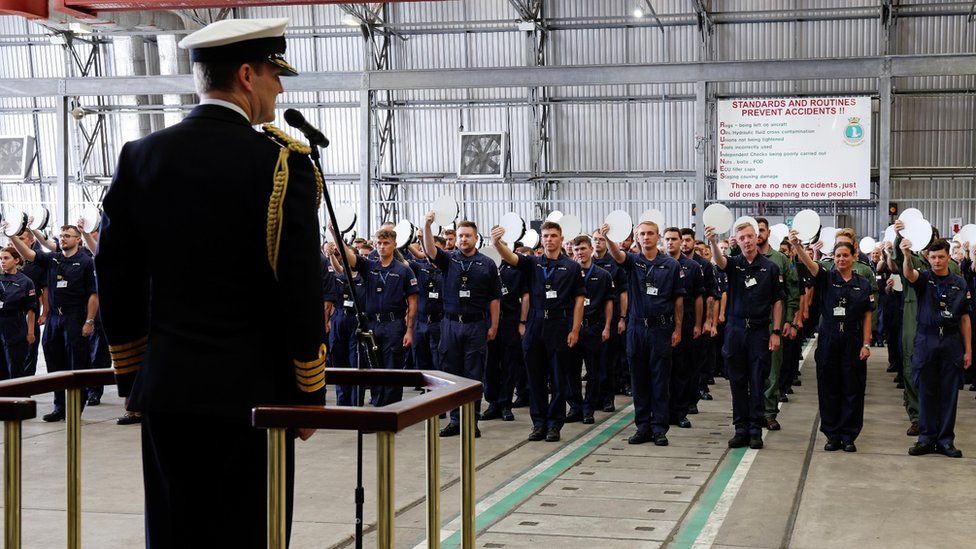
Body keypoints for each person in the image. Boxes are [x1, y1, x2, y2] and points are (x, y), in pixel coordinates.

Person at [95, 18, 327, 548]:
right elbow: (298, 287)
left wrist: (133, 376)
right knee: (251, 534)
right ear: (247, 75)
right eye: (274, 74)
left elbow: (116, 274)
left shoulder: (141, 156)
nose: (280, 88)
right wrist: (308, 393)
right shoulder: (282, 164)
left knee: (177, 532)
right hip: (255, 396)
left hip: (168, 389)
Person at [492, 221, 584, 443]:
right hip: (535, 324)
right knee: (535, 378)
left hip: (559, 325)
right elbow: (511, 258)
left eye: (553, 235)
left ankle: (554, 424)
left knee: (559, 378)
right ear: (541, 239)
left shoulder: (572, 267)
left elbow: (579, 300)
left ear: (562, 239)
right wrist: (496, 243)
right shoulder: (532, 263)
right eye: (545, 236)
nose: (549, 239)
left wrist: (575, 329)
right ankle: (539, 423)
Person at [600, 221, 684, 446]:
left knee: (659, 381)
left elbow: (678, 299)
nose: (646, 237)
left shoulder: (671, 264)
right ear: (637, 237)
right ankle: (643, 427)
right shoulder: (633, 262)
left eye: (650, 233)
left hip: (661, 329)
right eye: (642, 234)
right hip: (637, 328)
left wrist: (677, 328)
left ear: (658, 236)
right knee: (639, 381)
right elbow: (618, 257)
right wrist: (608, 239)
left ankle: (659, 429)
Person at [790, 232, 873, 452]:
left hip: (853, 339)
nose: (841, 259)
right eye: (838, 255)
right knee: (829, 387)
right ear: (833, 257)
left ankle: (849, 435)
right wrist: (798, 246)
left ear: (854, 256)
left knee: (852, 388)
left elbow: (867, 315)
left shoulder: (863, 284)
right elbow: (810, 264)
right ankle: (832, 434)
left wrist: (866, 343)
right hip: (829, 337)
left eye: (846, 255)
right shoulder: (826, 278)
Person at [706, 220, 784, 450]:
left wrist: (776, 332)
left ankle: (755, 430)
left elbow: (777, 301)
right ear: (737, 242)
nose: (748, 241)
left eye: (751, 236)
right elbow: (719, 262)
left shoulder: (770, 268)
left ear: (757, 237)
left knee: (757, 380)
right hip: (735, 329)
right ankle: (740, 429)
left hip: (759, 331)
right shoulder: (733, 265)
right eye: (742, 238)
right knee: (737, 380)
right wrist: (712, 241)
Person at [7, 224, 98, 422]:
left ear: (77, 239)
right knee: (54, 363)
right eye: (61, 235)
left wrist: (89, 321)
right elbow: (29, 254)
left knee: (77, 364)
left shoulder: (86, 261)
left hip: (75, 316)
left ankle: (75, 407)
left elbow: (93, 295)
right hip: (54, 319)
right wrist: (12, 236)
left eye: (68, 236)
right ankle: (59, 406)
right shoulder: (53, 259)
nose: (63, 238)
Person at [422, 215, 500, 437]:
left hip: (476, 325)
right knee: (452, 374)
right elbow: (429, 250)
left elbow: (494, 299)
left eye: (468, 236)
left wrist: (493, 325)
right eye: (460, 236)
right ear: (455, 239)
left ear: (476, 238)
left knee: (474, 376)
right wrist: (427, 226)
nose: (463, 239)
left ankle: (471, 421)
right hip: (450, 325)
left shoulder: (487, 264)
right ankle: (455, 420)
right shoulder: (449, 260)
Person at [900, 237, 972, 458]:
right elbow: (908, 274)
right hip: (927, 340)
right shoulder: (924, 278)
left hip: (950, 342)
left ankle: (945, 440)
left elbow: (965, 318)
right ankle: (926, 438)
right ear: (927, 258)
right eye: (933, 257)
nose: (937, 261)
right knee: (926, 391)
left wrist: (968, 349)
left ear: (948, 257)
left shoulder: (959, 283)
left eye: (941, 256)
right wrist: (905, 255)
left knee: (949, 393)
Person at [333, 225, 418, 406]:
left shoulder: (404, 270)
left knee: (392, 369)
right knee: (374, 368)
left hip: (393, 325)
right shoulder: (369, 266)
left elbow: (412, 303)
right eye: (378, 243)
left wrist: (409, 331)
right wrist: (335, 235)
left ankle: (393, 410)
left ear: (394, 244)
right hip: (372, 325)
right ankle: (378, 408)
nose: (382, 247)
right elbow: (347, 257)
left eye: (386, 243)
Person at [756, 218, 799, 431]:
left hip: (774, 324)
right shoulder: (741, 259)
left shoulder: (781, 260)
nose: (757, 234)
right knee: (751, 371)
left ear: (768, 232)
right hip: (750, 326)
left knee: (773, 370)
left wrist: (790, 320)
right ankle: (753, 413)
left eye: (761, 230)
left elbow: (792, 292)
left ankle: (770, 413)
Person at [567, 235, 614, 424]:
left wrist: (607, 327)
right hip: (572, 328)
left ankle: (589, 408)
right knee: (571, 370)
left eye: (583, 249)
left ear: (591, 249)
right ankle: (575, 407)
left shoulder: (603, 275)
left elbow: (608, 303)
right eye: (577, 250)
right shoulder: (568, 273)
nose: (580, 253)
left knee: (594, 371)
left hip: (593, 328)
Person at [663, 227, 704, 428]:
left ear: (681, 242)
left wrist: (698, 323)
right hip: (661, 323)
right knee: (661, 370)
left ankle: (680, 411)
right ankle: (660, 412)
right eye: (667, 239)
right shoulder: (657, 264)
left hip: (685, 321)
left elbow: (698, 298)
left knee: (681, 369)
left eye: (674, 239)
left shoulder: (693, 267)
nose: (670, 242)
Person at [483, 239, 528, 422]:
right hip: (488, 323)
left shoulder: (516, 270)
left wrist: (522, 322)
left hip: (510, 321)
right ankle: (492, 403)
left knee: (510, 365)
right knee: (490, 366)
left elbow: (526, 297)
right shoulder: (485, 269)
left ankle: (505, 404)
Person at [591, 229, 628, 412]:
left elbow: (623, 293)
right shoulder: (584, 262)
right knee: (592, 364)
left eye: (601, 239)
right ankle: (593, 399)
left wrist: (622, 318)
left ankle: (607, 399)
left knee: (608, 362)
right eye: (595, 239)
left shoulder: (615, 264)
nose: (598, 242)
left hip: (610, 319)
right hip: (589, 320)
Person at [0, 247, 37, 380]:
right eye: (1, 259)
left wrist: (31, 332)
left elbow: (31, 309)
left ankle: (20, 398)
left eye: (6, 258)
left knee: (15, 366)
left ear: (16, 260)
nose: (2, 262)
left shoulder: (25, 282)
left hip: (15, 325)